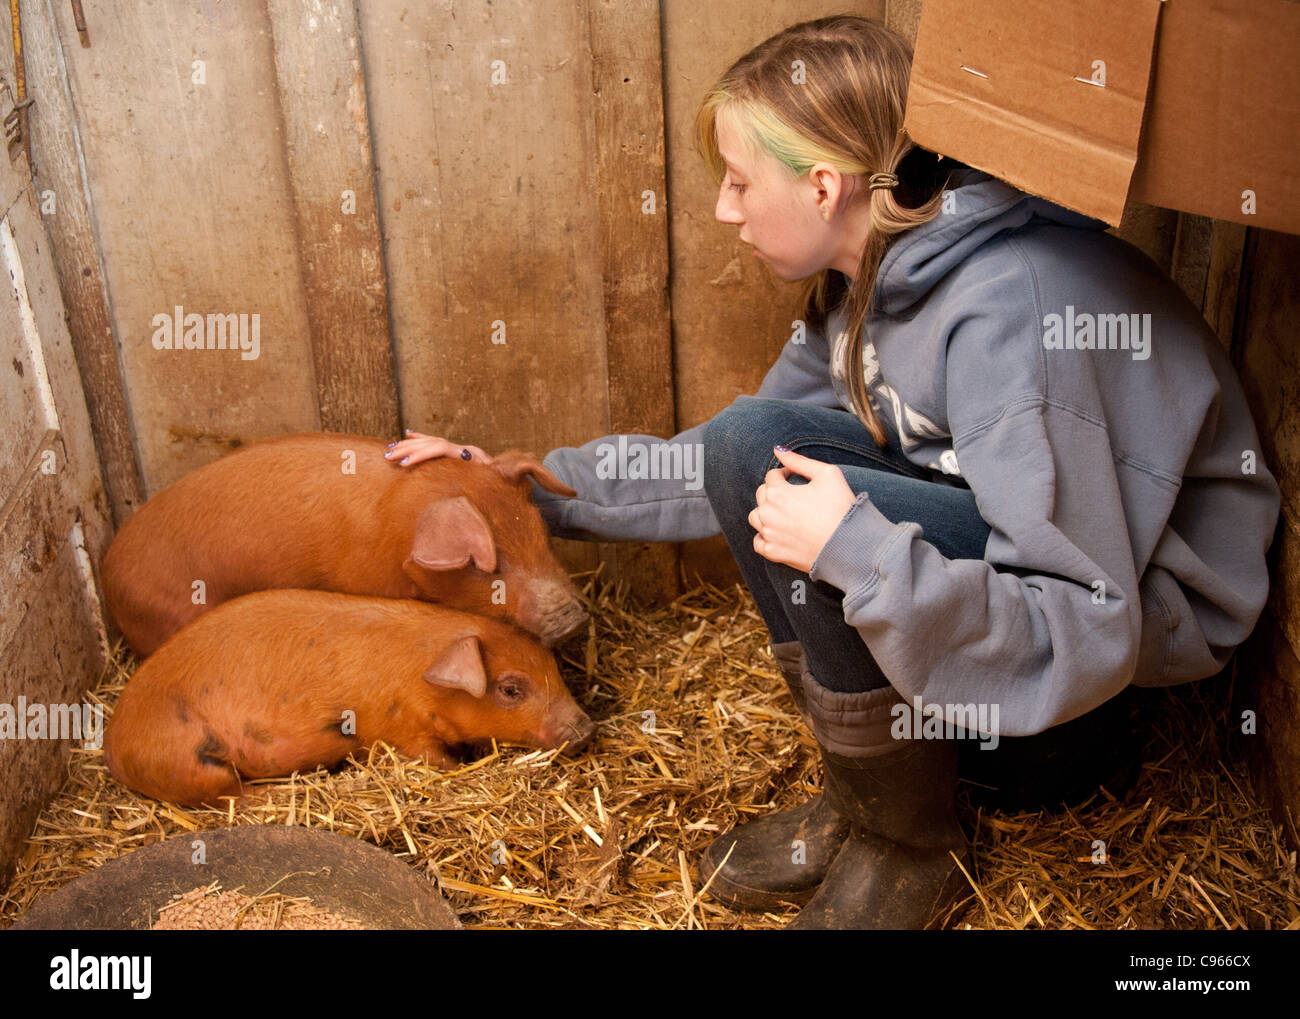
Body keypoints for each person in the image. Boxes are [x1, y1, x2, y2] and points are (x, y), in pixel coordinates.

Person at [384, 15, 1281, 929]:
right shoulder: (871, 285)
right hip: (1004, 615)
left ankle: (909, 845)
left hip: (1086, 697)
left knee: (811, 497)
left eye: (738, 181)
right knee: (753, 446)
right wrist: (517, 492)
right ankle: (870, 804)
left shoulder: (1015, 318)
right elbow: (723, 463)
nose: (724, 210)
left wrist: (857, 548)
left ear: (822, 185)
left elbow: (1087, 618)